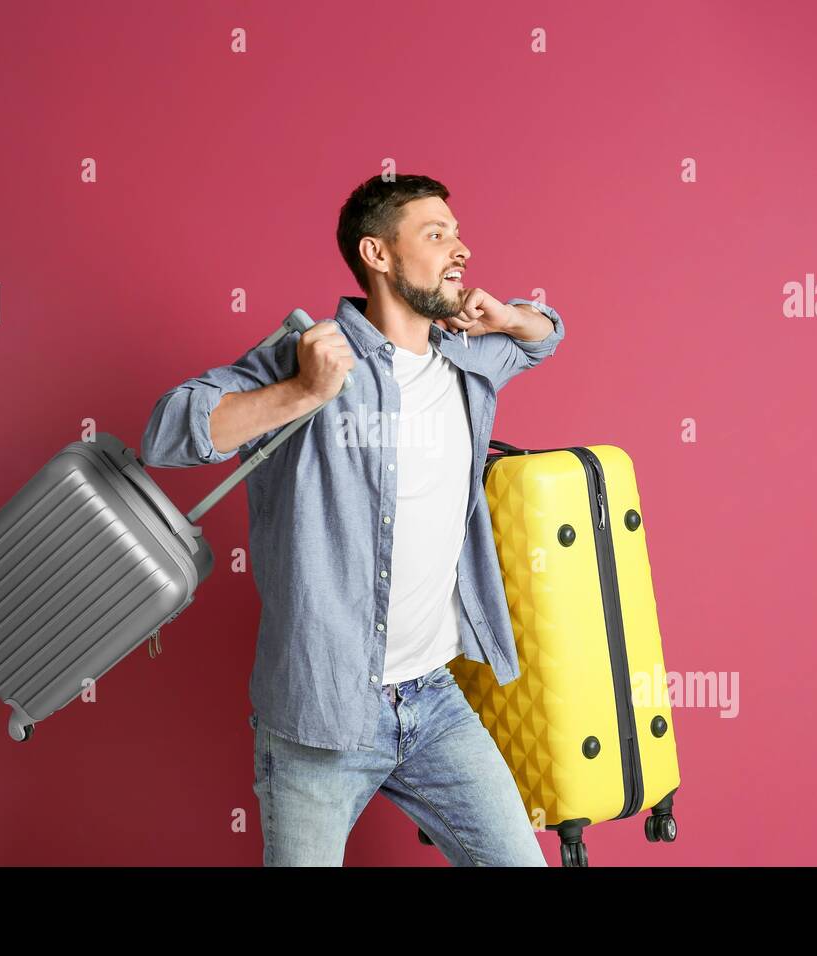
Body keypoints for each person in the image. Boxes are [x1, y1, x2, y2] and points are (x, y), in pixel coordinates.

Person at [141, 173, 566, 865]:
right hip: (319, 713)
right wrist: (303, 391)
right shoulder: (311, 353)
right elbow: (168, 433)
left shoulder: (466, 362)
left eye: (456, 233)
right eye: (435, 235)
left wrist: (511, 318)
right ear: (378, 255)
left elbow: (546, 338)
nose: (459, 248)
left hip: (434, 700)